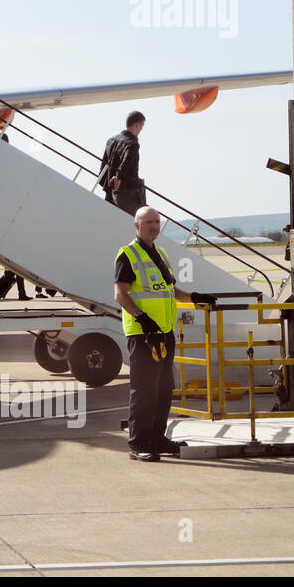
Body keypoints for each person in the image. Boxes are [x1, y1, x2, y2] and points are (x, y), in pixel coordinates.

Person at [115, 206, 216, 462]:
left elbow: (170, 291)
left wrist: (194, 297)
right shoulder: (128, 254)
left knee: (163, 389)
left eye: (157, 222)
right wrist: (142, 319)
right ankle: (138, 444)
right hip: (143, 334)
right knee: (144, 390)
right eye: (148, 222)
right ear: (137, 226)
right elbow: (120, 294)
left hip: (164, 332)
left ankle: (157, 438)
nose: (154, 226)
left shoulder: (159, 254)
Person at [100, 111, 146, 215]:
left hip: (110, 190)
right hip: (127, 191)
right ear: (136, 125)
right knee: (134, 220)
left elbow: (104, 164)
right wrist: (118, 178)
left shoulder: (111, 140)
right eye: (142, 126)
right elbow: (126, 161)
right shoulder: (132, 143)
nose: (141, 129)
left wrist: (106, 184)